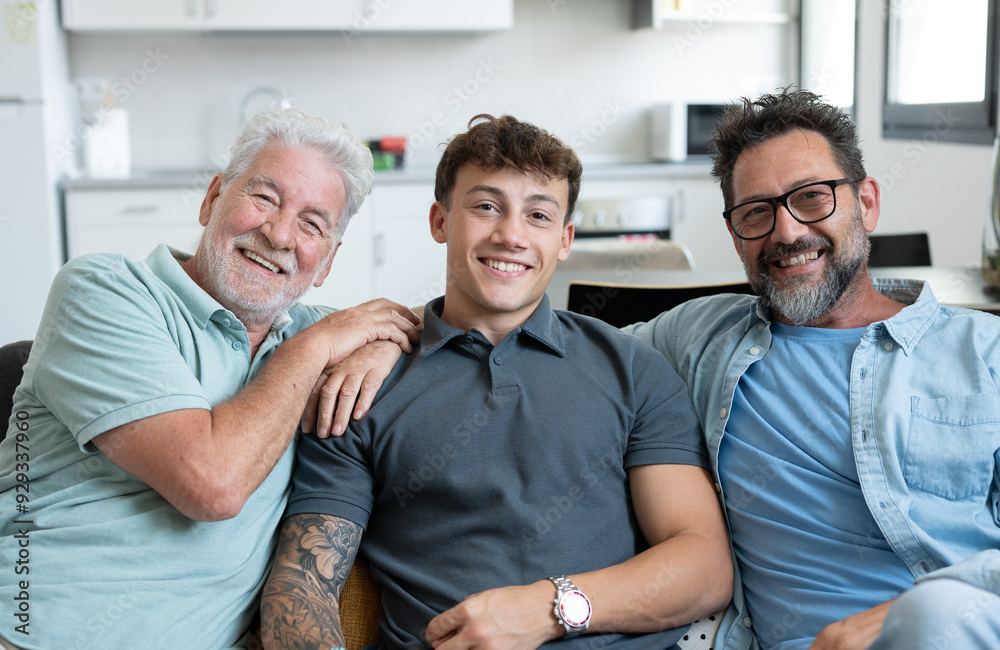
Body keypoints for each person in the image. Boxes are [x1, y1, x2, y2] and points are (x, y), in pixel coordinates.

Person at [259, 113, 732, 649]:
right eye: (486, 207)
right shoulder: (359, 387)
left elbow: (704, 566)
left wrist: (549, 608)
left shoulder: (633, 369)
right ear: (440, 221)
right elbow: (302, 586)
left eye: (538, 215)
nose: (511, 235)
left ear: (564, 238)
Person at [0, 108, 420, 650]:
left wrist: (388, 339)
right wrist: (313, 348)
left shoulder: (328, 336)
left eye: (312, 224)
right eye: (264, 197)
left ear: (327, 263)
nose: (279, 233)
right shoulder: (104, 290)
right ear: (212, 198)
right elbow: (211, 484)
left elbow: (437, 326)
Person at [622, 89, 1000, 649]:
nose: (787, 232)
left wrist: (914, 612)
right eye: (757, 212)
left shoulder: (986, 352)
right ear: (734, 235)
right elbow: (561, 356)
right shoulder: (695, 337)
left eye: (812, 197)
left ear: (866, 203)